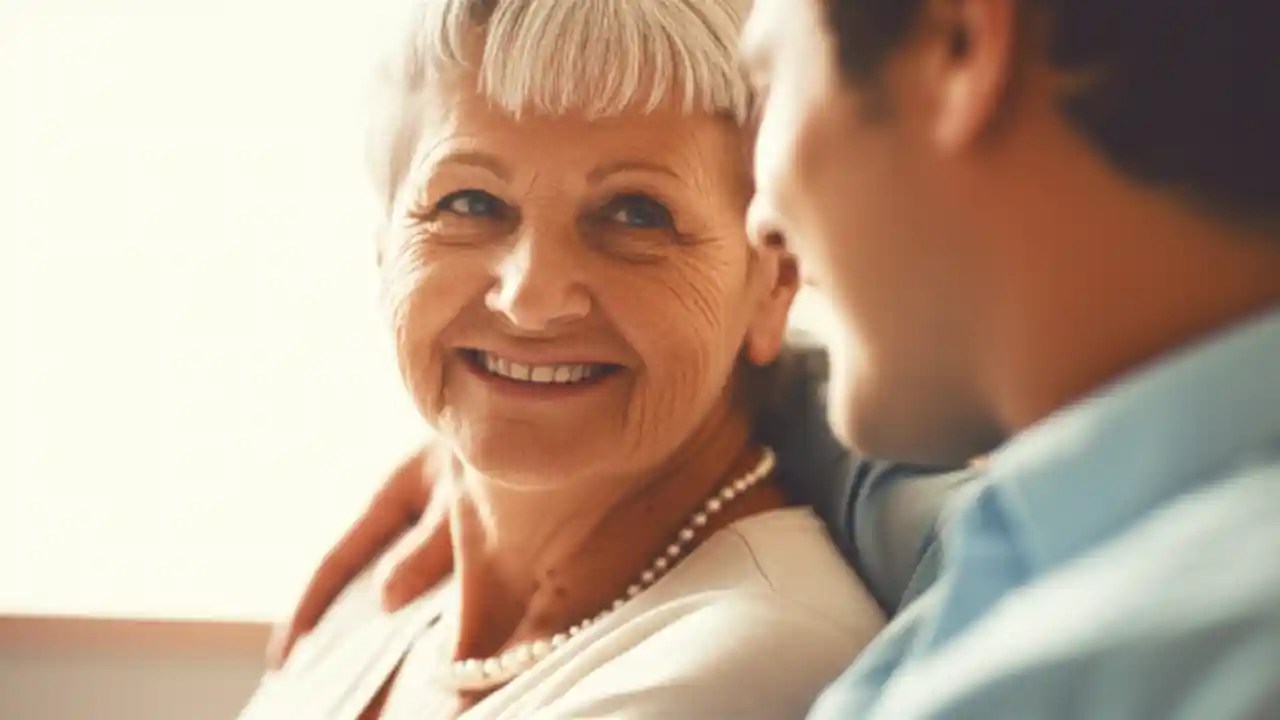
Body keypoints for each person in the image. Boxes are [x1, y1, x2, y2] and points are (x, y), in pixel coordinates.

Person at [274, 0, 1280, 717]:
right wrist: (533, 437)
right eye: (466, 203)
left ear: (959, 45)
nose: (772, 220)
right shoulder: (1056, 546)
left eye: (773, 64)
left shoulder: (1127, 654)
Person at [241, 1, 886, 718]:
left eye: (636, 214)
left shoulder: (745, 663)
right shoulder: (403, 562)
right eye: (470, 201)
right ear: (384, 248)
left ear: (774, 283)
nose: (530, 300)